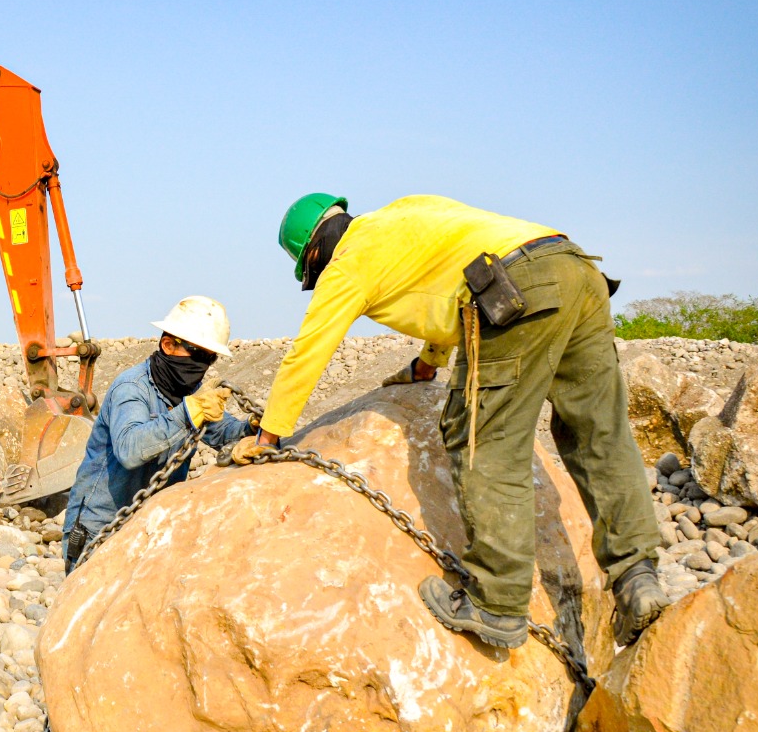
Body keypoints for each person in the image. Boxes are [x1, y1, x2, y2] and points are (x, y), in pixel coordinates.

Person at [235, 193, 670, 648]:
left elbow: (309, 351)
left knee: (486, 439)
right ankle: (637, 576)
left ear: (316, 251)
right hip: (575, 267)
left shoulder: (348, 261)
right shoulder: (405, 212)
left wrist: (269, 435)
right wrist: (427, 364)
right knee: (597, 432)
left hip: (516, 285)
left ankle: (497, 602)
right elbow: (451, 285)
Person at [61, 296, 256, 572]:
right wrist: (190, 412)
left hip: (150, 528)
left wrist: (253, 428)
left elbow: (224, 433)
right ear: (168, 345)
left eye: (209, 359)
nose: (202, 366)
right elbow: (130, 449)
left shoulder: (188, 392)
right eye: (198, 355)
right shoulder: (131, 388)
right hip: (99, 530)